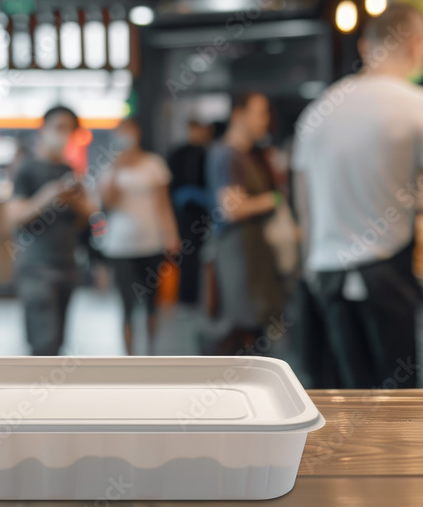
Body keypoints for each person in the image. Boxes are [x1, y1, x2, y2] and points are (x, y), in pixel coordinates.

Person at [292, 3, 423, 390]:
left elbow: (305, 210)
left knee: (343, 401)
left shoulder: (317, 111)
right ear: (417, 44)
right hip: (386, 278)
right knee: (396, 407)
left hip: (326, 278)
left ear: (366, 46)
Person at [6, 106, 94, 357]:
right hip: (36, 267)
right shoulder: (26, 168)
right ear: (44, 128)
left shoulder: (68, 171)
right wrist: (49, 195)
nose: (63, 134)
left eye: (69, 129)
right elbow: (13, 217)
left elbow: (85, 217)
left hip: (66, 264)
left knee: (57, 344)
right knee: (43, 345)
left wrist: (75, 200)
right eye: (59, 127)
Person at [205, 92, 287, 352]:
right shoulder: (225, 155)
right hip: (238, 256)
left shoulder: (253, 155)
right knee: (240, 333)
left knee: (259, 328)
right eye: (260, 114)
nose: (265, 121)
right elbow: (232, 210)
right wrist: (273, 199)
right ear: (238, 115)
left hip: (256, 256)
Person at [95, 118, 179, 355]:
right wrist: (116, 169)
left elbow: (164, 205)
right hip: (120, 246)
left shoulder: (154, 164)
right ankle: (128, 356)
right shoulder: (109, 168)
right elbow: (106, 204)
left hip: (151, 243)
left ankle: (151, 351)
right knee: (126, 305)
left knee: (153, 303)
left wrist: (172, 235)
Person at [167, 120, 213, 306]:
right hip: (182, 214)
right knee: (186, 255)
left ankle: (197, 299)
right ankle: (186, 299)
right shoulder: (179, 153)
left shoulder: (207, 153)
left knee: (199, 255)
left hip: (202, 213)